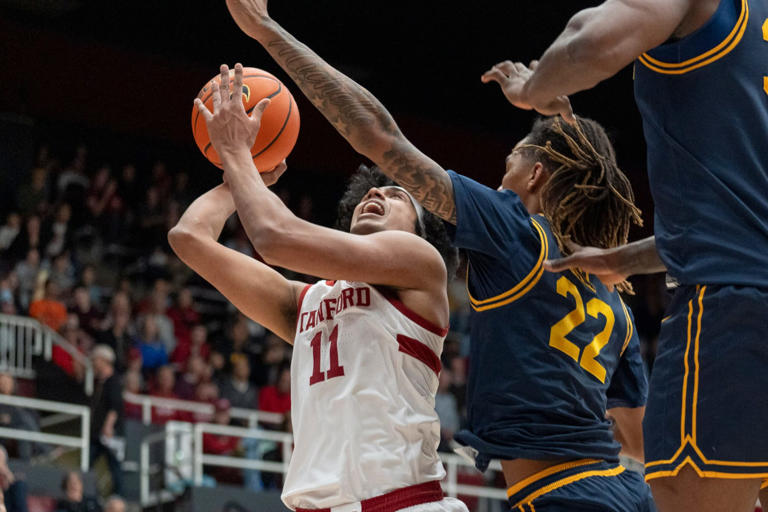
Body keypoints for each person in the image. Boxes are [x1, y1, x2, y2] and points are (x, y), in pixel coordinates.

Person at [225, 2, 652, 511]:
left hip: (558, 497)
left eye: (511, 162)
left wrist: (268, 31)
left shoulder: (514, 228)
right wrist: (565, 122)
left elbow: (379, 137)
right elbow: (642, 443)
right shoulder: (613, 297)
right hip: (623, 490)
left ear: (536, 178)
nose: (500, 178)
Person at [479, 0, 768, 510]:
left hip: (734, 312)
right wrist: (627, 260)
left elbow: (592, 42)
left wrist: (531, 88)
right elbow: (747, 214)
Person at [171, 64, 465, 511]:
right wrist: (239, 183)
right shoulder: (305, 302)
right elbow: (189, 238)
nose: (379, 195)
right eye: (372, 192)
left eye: (398, 197)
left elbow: (274, 237)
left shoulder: (420, 266)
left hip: (403, 503)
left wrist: (237, 154)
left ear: (421, 233)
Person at [89, 345, 123, 496]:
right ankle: (92, 492)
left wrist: (108, 426)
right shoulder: (101, 382)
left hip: (107, 434)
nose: (93, 362)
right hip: (98, 433)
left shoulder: (113, 381)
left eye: (95, 359)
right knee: (88, 462)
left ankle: (118, 496)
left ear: (104, 360)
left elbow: (114, 405)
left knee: (114, 465)